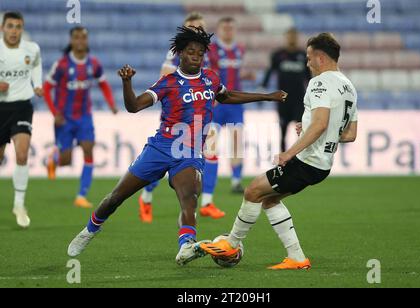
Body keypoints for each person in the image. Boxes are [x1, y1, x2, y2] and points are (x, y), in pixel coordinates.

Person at [67, 26, 287, 266]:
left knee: (189, 196)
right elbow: (133, 106)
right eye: (191, 51)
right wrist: (127, 83)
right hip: (160, 148)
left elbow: (226, 95)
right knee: (116, 197)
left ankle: (186, 246)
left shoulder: (210, 78)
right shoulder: (168, 82)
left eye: (201, 53)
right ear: (180, 53)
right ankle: (89, 230)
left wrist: (266, 96)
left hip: (189, 153)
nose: (196, 56)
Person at [200, 33, 358, 270]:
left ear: (320, 57)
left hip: (306, 161)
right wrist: (312, 129)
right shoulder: (349, 86)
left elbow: (321, 124)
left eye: (308, 58)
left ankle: (232, 244)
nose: (307, 64)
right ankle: (296, 257)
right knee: (270, 200)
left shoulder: (320, 82)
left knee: (253, 190)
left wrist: (289, 153)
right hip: (322, 164)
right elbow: (349, 134)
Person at [138, 11, 209, 224]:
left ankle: (200, 205)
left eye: (200, 27)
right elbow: (165, 76)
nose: (197, 30)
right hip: (177, 115)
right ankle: (147, 195)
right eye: (193, 27)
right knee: (169, 158)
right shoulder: (175, 53)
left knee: (195, 159)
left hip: (198, 115)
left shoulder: (206, 52)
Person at [43, 26, 118, 209]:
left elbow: (104, 84)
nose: (80, 41)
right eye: (76, 38)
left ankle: (81, 195)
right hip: (65, 119)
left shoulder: (93, 64)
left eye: (83, 37)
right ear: (71, 41)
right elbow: (46, 88)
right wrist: (55, 113)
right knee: (66, 160)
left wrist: (111, 103)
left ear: (87, 40)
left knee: (88, 149)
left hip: (85, 116)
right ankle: (53, 160)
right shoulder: (61, 65)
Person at [200, 16, 256, 220]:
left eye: (231, 28)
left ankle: (236, 180)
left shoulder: (240, 49)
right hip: (216, 103)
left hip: (235, 104)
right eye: (225, 28)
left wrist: (246, 77)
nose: (228, 31)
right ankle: (205, 184)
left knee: (236, 142)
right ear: (219, 29)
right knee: (211, 144)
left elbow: (235, 73)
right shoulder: (211, 49)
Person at [0, 11, 43, 228]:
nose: (14, 31)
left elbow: (36, 64)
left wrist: (37, 84)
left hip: (21, 107)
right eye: (10, 26)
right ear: (2, 28)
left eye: (18, 27)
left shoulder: (31, 48)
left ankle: (19, 205)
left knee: (22, 153)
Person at [262, 28, 311, 152]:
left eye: (294, 36)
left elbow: (309, 77)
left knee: (301, 130)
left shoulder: (303, 56)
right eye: (289, 36)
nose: (292, 39)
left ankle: (301, 156)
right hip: (283, 99)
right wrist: (263, 86)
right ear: (286, 38)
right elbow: (270, 71)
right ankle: (282, 157)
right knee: (282, 129)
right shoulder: (278, 55)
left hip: (299, 99)